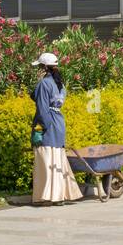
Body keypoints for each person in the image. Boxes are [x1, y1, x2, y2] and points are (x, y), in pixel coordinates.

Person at [30, 51, 83, 205]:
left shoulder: (43, 84)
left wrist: (43, 128)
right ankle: (59, 195)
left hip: (48, 124)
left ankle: (47, 195)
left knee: (45, 161)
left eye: (39, 66)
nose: (38, 69)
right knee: (57, 160)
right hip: (59, 122)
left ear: (44, 67)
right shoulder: (61, 85)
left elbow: (42, 108)